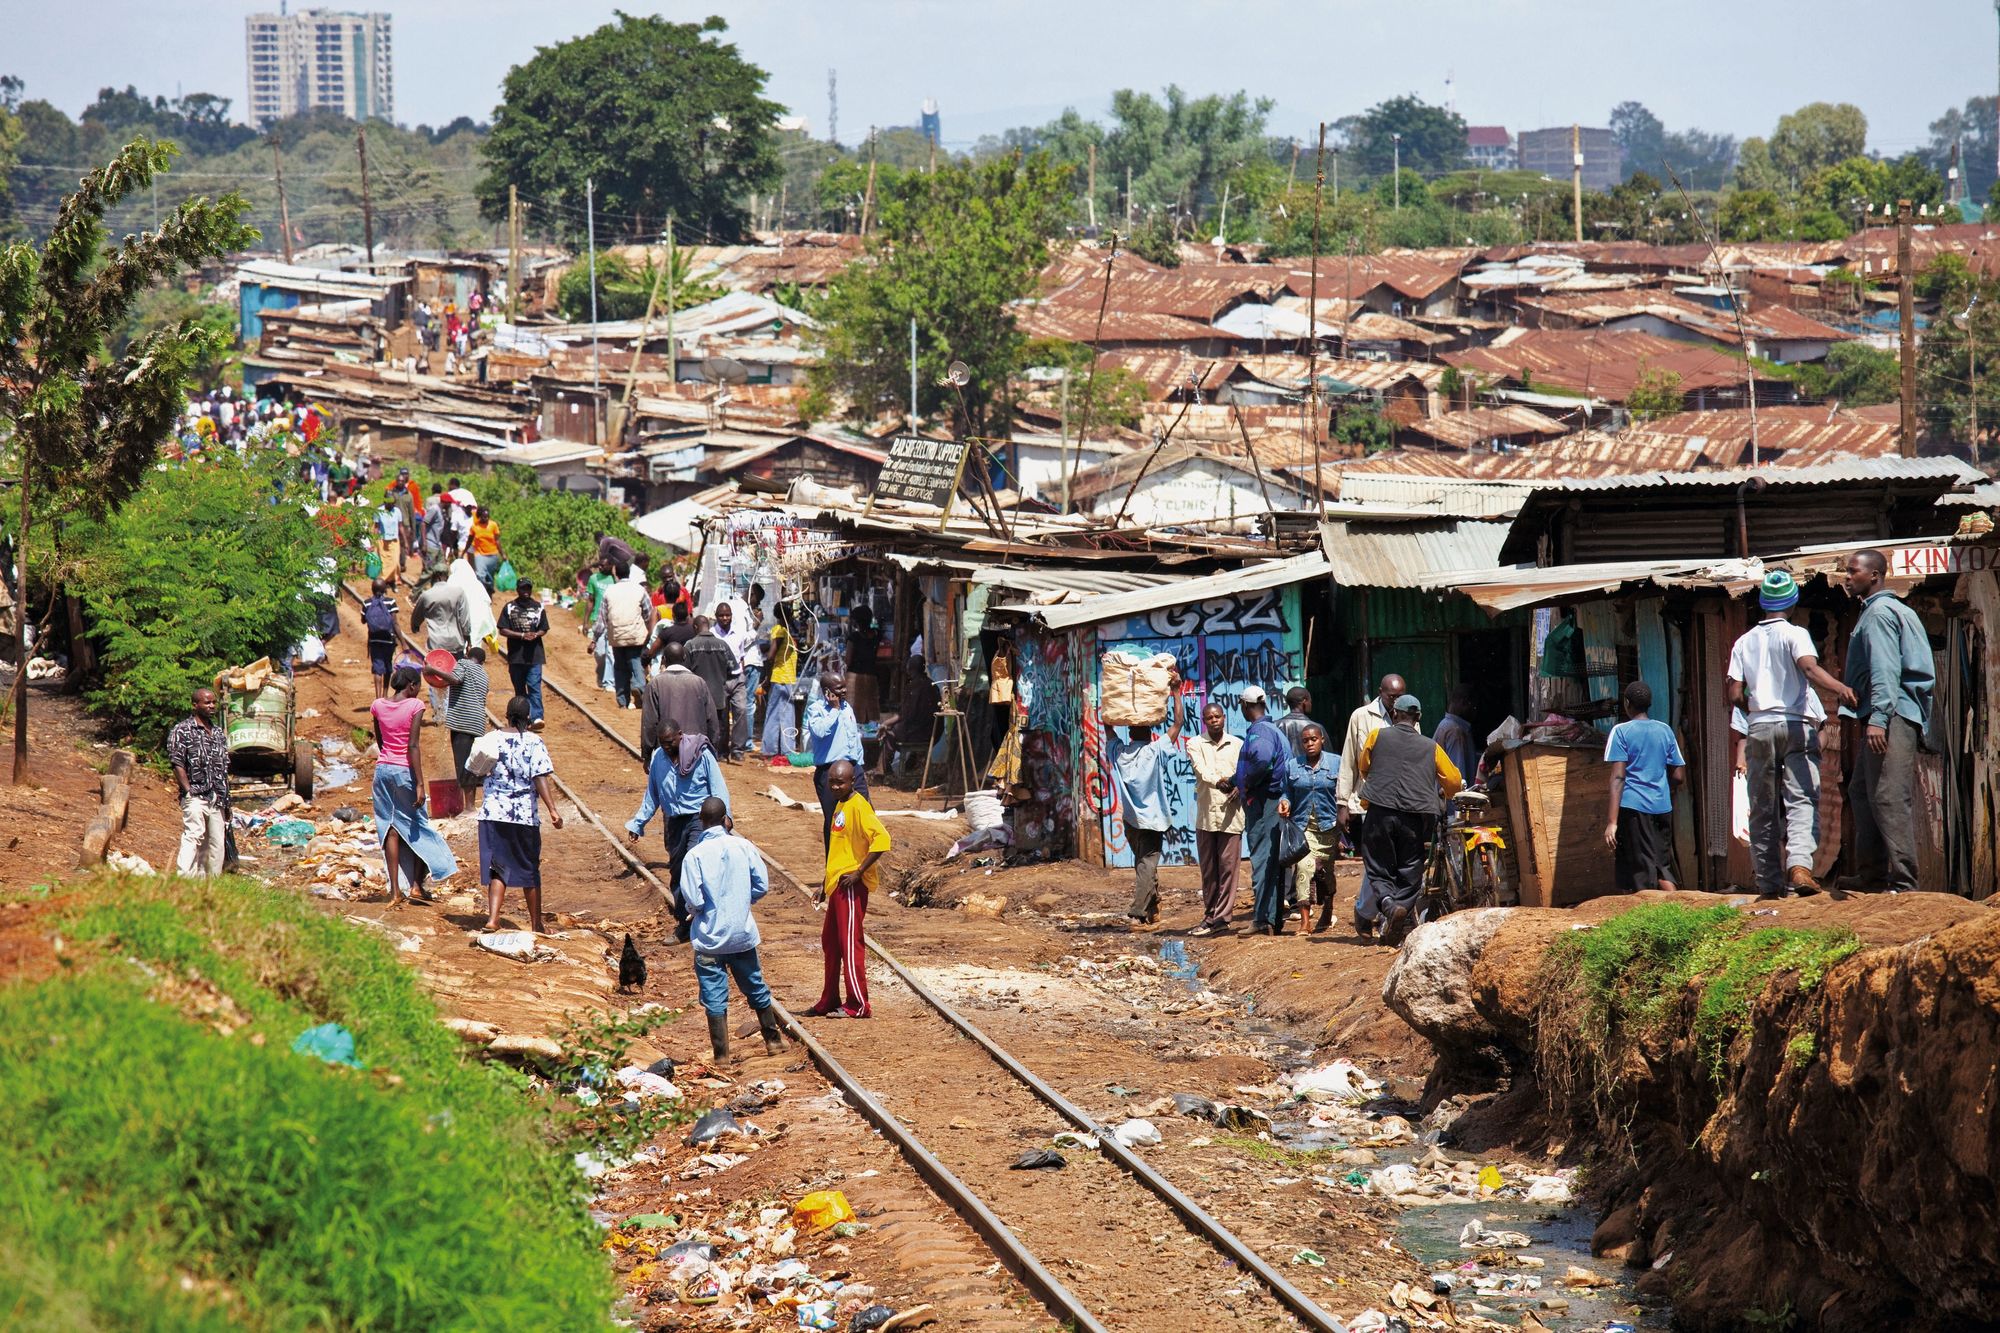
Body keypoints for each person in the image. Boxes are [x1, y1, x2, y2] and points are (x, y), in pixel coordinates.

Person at [1728, 570, 1856, 897]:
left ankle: (1769, 883)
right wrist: (1840, 687)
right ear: (1793, 603)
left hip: (1759, 727)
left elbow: (1733, 694)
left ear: (1762, 604)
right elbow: (1810, 669)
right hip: (1797, 725)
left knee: (1763, 806)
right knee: (1801, 799)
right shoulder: (1796, 634)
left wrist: (1755, 706)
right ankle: (1799, 866)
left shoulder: (1743, 642)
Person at [1839, 549, 1935, 894]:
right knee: (1862, 791)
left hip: (1891, 715)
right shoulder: (1889, 610)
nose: (1846, 578)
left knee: (1888, 796)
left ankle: (1905, 883)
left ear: (1875, 575)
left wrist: (1879, 718)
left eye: (1853, 572)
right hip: (1890, 713)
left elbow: (1885, 670)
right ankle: (1872, 876)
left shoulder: (1879, 613)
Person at [678, 796, 788, 1059]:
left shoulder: (694, 856)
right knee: (755, 985)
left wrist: (697, 912)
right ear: (726, 819)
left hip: (709, 938)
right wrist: (742, 901)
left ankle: (722, 1055)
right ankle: (773, 1041)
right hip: (741, 935)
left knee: (714, 995)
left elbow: (692, 899)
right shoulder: (744, 846)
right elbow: (761, 885)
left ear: (702, 821)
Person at [1355, 695, 1462, 945]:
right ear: (1418, 718)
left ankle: (1389, 905)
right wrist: (1445, 792)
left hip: (1380, 811)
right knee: (1410, 868)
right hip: (1416, 816)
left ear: (1394, 715)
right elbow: (1454, 782)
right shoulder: (1431, 747)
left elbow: (1364, 766)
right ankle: (1399, 909)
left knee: (1379, 865)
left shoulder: (1377, 736)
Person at [627, 719, 730, 938]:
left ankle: (708, 921)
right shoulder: (658, 758)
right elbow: (652, 794)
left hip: (699, 819)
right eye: (662, 743)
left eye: (670, 742)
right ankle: (684, 923)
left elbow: (718, 785)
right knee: (677, 870)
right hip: (673, 820)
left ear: (680, 735)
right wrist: (638, 823)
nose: (666, 747)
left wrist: (725, 815)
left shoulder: (701, 754)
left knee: (694, 865)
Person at [808, 759, 889, 1019]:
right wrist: (824, 884)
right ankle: (829, 998)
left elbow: (882, 839)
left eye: (839, 782)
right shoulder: (839, 806)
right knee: (831, 943)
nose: (834, 786)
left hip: (851, 886)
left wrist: (859, 872)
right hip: (837, 885)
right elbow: (838, 851)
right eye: (831, 781)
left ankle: (858, 1004)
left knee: (850, 943)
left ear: (852, 781)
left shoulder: (859, 806)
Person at [371, 666, 458, 905]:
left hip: (383, 770)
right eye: (418, 686)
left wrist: (388, 756)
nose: (419, 690)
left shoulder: (378, 705)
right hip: (405, 772)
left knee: (389, 826)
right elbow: (413, 746)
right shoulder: (415, 706)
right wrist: (420, 783)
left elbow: (380, 739)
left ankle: (395, 891)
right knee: (417, 825)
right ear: (411, 685)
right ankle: (418, 886)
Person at [477, 694, 564, 932]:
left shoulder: (491, 738)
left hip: (493, 813)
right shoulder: (534, 742)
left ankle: (493, 919)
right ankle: (536, 924)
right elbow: (539, 776)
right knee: (529, 868)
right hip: (523, 816)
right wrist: (553, 810)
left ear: (506, 715)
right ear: (528, 718)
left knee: (498, 866)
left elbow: (475, 768)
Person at [1603, 681, 1687, 895]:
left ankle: (1657, 913)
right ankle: (1677, 910)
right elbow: (1678, 775)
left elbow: (1618, 777)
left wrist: (1612, 822)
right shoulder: (1665, 730)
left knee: (1639, 870)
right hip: (1662, 807)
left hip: (1634, 809)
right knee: (1661, 864)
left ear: (1627, 703)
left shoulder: (1621, 732)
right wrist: (1662, 791)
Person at [1338, 674, 1404, 935]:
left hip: (1400, 800)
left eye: (1399, 697)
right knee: (1377, 861)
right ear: (1381, 692)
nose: (1395, 702)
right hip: (1368, 801)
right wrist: (1342, 802)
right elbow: (1349, 760)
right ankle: (1367, 912)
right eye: (1391, 697)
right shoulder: (1361, 717)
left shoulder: (1408, 713)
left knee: (1394, 861)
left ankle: (1372, 911)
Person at [1225, 686, 1292, 936]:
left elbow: (1262, 761)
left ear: (1244, 706)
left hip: (1265, 802)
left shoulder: (1260, 731)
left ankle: (1262, 919)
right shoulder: (1272, 729)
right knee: (1272, 860)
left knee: (1263, 860)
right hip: (1271, 800)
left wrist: (1246, 784)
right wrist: (1234, 780)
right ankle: (1272, 920)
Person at [1110, 708, 1183, 927]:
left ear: (1130, 733)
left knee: (1144, 864)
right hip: (1152, 821)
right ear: (1150, 732)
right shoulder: (1156, 750)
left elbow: (1107, 727)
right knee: (1146, 865)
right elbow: (1178, 722)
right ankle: (1138, 913)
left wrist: (1109, 707)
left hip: (1131, 821)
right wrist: (1177, 691)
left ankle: (1153, 906)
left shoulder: (1120, 754)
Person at [1186, 701, 1243, 937]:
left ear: (1224, 718)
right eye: (1209, 718)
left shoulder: (1238, 745)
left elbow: (1244, 774)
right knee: (1209, 871)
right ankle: (1209, 916)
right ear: (1204, 720)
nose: (1214, 721)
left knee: (1229, 869)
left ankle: (1222, 919)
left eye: (1217, 716)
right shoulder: (1194, 744)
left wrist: (1238, 787)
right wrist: (1221, 782)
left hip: (1232, 817)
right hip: (1207, 817)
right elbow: (1201, 770)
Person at [1281, 723, 1343, 933]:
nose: (1309, 744)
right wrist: (1285, 802)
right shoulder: (1293, 766)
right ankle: (1305, 921)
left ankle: (1328, 908)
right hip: (1303, 827)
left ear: (1321, 740)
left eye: (1313, 739)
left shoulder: (1336, 763)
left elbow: (1344, 792)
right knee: (1304, 867)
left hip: (1330, 827)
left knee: (1327, 873)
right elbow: (1286, 792)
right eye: (1305, 741)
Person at [168, 686, 230, 877]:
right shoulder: (182, 731)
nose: (212, 706)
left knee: (216, 843)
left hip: (217, 797)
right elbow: (177, 762)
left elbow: (223, 768)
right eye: (207, 702)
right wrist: (188, 791)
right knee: (193, 836)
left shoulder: (218, 733)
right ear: (195, 705)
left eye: (213, 702)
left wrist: (226, 801)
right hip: (195, 795)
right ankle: (184, 879)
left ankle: (210, 885)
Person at [806, 673, 868, 850]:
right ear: (827, 692)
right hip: (830, 773)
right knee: (835, 821)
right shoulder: (816, 709)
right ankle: (833, 868)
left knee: (863, 814)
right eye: (839, 688)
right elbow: (819, 731)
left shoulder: (847, 707)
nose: (844, 690)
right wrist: (833, 709)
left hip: (853, 770)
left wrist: (859, 766)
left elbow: (853, 739)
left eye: (844, 686)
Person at [641, 641, 718, 765]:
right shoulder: (699, 682)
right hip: (696, 751)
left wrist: (647, 754)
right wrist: (712, 747)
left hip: (667, 753)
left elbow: (649, 722)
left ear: (664, 659)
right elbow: (712, 719)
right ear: (684, 657)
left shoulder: (655, 684)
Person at [597, 563, 657, 709]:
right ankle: (639, 688)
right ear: (628, 573)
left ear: (616, 573)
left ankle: (622, 701)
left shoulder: (609, 591)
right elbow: (648, 614)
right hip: (635, 635)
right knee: (635, 662)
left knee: (620, 667)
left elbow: (602, 619)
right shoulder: (639, 589)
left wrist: (594, 639)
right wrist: (649, 634)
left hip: (616, 636)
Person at [496, 579, 548, 729]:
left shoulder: (539, 607)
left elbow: (544, 628)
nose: (526, 590)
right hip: (516, 656)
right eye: (523, 588)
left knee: (534, 687)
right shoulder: (510, 607)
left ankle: (537, 717)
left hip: (534, 655)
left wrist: (536, 634)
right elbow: (502, 629)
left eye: (528, 588)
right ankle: (523, 718)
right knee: (519, 688)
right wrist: (521, 636)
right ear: (517, 589)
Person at [879, 654, 940, 780]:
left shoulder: (912, 687)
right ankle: (909, 765)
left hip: (919, 732)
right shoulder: (932, 684)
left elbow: (905, 715)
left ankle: (884, 773)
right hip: (934, 732)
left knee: (889, 735)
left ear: (910, 669)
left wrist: (885, 724)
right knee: (897, 729)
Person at [444, 645, 491, 804]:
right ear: (482, 662)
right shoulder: (484, 675)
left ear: (467, 655)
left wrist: (433, 671)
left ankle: (469, 807)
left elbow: (455, 679)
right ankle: (472, 804)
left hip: (462, 722)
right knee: (473, 763)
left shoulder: (463, 664)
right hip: (478, 724)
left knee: (462, 763)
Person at [685, 615, 740, 742]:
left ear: (695, 627)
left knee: (698, 728)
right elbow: (734, 670)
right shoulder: (723, 645)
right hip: (718, 696)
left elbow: (684, 671)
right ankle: (718, 754)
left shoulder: (690, 645)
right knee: (717, 727)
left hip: (696, 697)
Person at [714, 601, 754, 760]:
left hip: (737, 679)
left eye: (728, 615)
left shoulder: (738, 633)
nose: (725, 618)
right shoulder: (712, 634)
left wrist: (741, 675)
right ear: (716, 617)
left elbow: (741, 656)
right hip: (720, 680)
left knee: (742, 710)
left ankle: (738, 749)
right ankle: (722, 750)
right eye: (722, 615)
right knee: (722, 716)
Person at [762, 606, 801, 761]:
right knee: (782, 716)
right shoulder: (780, 631)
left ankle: (778, 749)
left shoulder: (784, 631)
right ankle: (781, 750)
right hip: (781, 678)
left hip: (785, 678)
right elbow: (771, 655)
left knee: (781, 715)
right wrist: (767, 677)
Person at [1432, 687, 1480, 783]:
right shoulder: (1454, 730)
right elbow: (1458, 778)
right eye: (1474, 707)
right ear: (1464, 703)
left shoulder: (1450, 726)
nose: (1475, 712)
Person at [362, 578, 399, 700]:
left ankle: (378, 698)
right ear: (385, 590)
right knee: (388, 666)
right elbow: (395, 623)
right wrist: (403, 642)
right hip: (389, 640)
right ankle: (385, 694)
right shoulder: (391, 602)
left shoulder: (366, 603)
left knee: (377, 669)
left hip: (374, 641)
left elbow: (363, 620)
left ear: (372, 589)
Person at [467, 505, 503, 589]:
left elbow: (497, 541)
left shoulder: (493, 525)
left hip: (492, 555)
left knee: (490, 577)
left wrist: (503, 554)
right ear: (479, 516)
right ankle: (481, 591)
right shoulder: (474, 527)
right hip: (480, 554)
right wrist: (465, 551)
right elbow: (469, 541)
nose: (486, 519)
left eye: (487, 517)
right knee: (480, 575)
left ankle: (489, 591)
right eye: (484, 517)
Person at [1275, 687, 1316, 758]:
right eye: (1310, 701)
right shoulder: (1316, 728)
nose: (1311, 704)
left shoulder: (1274, 726)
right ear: (1304, 701)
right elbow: (1327, 758)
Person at [373, 493, 403, 574]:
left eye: (393, 503)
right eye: (390, 504)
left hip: (394, 541)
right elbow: (376, 527)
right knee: (385, 564)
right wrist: (374, 541)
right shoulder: (378, 511)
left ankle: (389, 579)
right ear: (385, 502)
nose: (392, 505)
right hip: (382, 541)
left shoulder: (397, 511)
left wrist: (406, 541)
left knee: (396, 562)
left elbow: (400, 527)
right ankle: (388, 581)